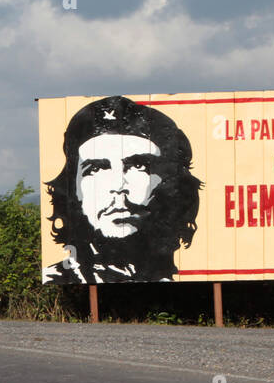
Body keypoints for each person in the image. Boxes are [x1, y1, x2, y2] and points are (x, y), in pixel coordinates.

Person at [43, 95, 202, 284]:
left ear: (174, 186)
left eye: (139, 166)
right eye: (96, 168)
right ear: (73, 188)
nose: (118, 186)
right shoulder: (55, 277)